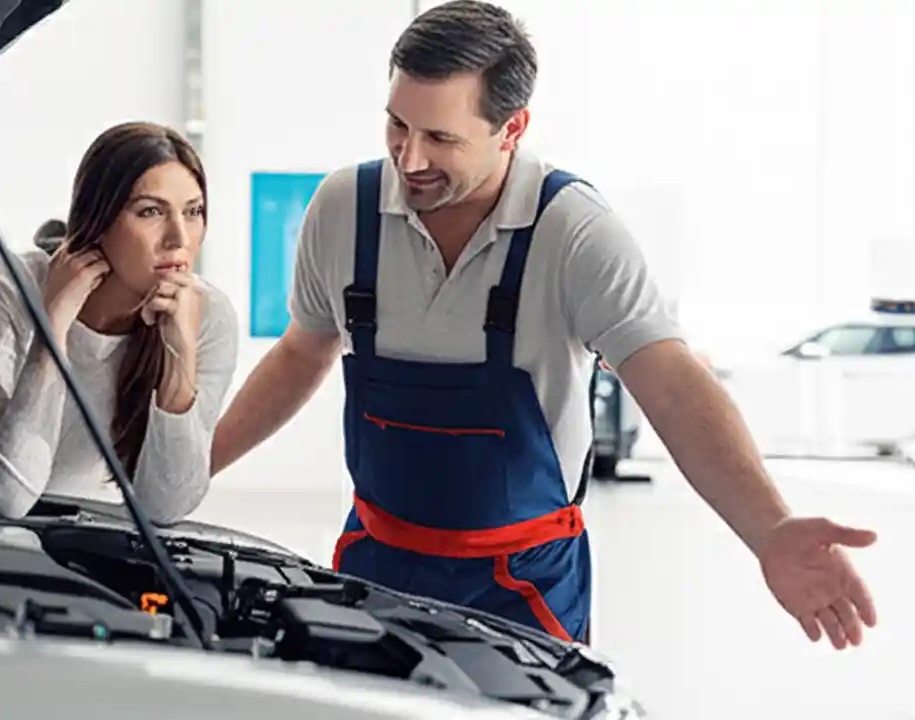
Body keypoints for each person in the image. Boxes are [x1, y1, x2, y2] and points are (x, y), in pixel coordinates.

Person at [210, 0, 877, 649]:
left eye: (441, 138)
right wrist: (193, 467)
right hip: (378, 566)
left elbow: (672, 385)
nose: (409, 159)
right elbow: (303, 353)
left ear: (513, 128)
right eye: (396, 126)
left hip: (522, 588)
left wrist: (770, 528)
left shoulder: (573, 231)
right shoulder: (343, 209)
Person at [0, 121, 238, 525]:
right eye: (151, 212)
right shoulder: (4, 287)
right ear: (98, 218)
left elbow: (166, 507)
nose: (179, 238)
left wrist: (181, 356)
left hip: (99, 540)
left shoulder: (209, 316)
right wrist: (52, 328)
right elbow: (8, 497)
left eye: (193, 212)